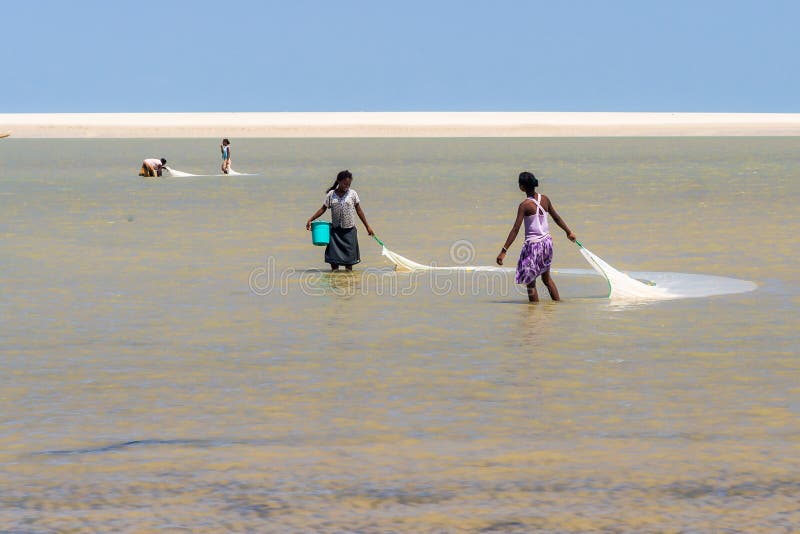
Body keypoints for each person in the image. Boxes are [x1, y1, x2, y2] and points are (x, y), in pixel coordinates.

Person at [496, 171, 576, 302]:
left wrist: (504, 250)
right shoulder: (545, 199)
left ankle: (533, 315)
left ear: (521, 187)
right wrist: (568, 232)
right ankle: (557, 305)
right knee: (546, 279)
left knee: (530, 283)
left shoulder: (524, 206)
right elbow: (556, 217)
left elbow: (515, 229)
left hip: (533, 246)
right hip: (547, 243)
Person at [306, 170, 375, 271]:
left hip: (349, 231)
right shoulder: (331, 194)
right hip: (335, 232)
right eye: (344, 184)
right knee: (334, 263)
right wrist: (311, 219)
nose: (347, 186)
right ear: (338, 181)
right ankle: (335, 282)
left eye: (349, 184)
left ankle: (348, 283)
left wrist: (368, 227)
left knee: (349, 263)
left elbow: (359, 210)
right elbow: (323, 209)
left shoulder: (353, 194)